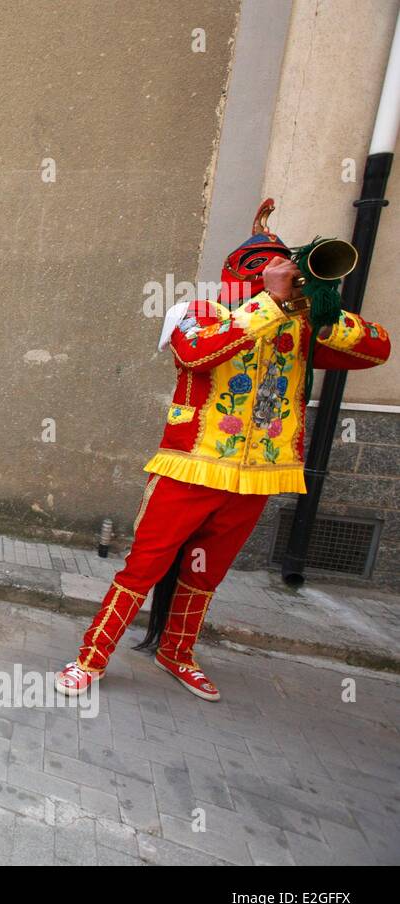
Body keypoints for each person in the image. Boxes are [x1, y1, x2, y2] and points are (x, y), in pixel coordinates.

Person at [55, 200, 390, 702]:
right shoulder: (196, 312)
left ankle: (177, 652)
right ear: (239, 275)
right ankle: (91, 657)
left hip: (255, 478)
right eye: (267, 269)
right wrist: (269, 304)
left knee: (205, 575)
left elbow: (377, 349)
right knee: (142, 568)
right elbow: (196, 355)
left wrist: (320, 306)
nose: (280, 275)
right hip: (190, 469)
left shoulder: (297, 328)